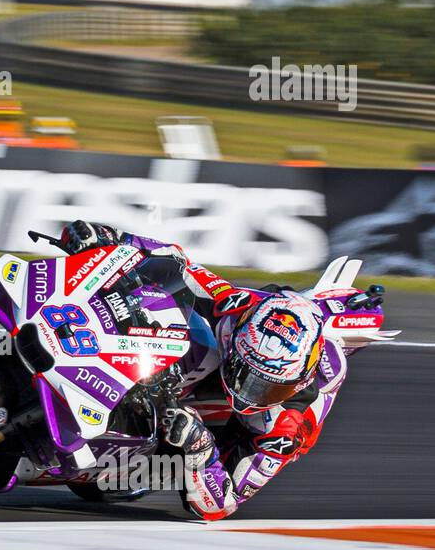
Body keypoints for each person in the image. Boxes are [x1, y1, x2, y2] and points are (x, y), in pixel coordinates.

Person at [60, 221, 347, 520]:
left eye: (267, 387)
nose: (248, 394)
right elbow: (176, 260)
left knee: (176, 453)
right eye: (245, 375)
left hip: (224, 440)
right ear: (237, 343)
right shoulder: (236, 306)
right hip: (227, 347)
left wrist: (201, 449)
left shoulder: (284, 429)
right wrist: (110, 239)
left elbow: (222, 505)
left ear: (299, 383)